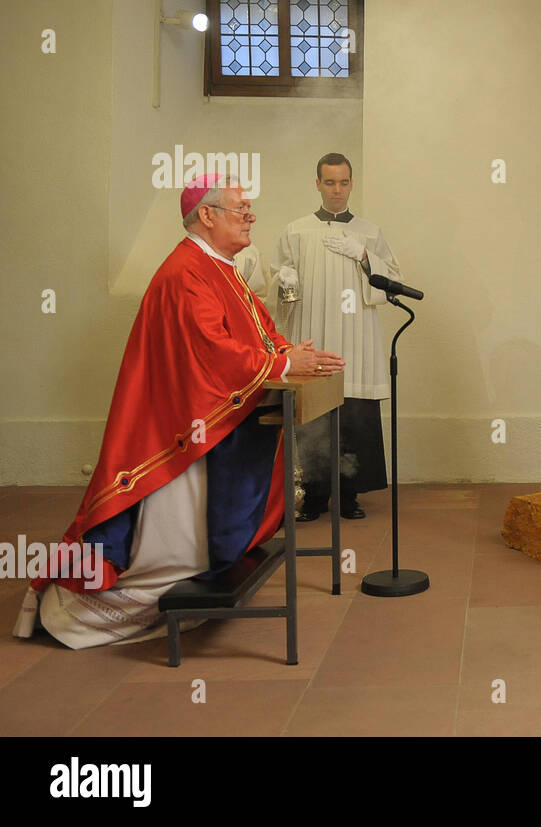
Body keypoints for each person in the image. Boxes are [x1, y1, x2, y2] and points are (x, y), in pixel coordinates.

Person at [13, 174, 344, 649]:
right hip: (181, 436)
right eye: (240, 209)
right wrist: (286, 362)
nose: (250, 217)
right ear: (206, 216)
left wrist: (288, 350)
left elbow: (252, 334)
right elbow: (209, 351)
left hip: (204, 429)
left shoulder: (219, 266)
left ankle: (202, 573)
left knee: (191, 545)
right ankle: (94, 609)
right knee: (172, 548)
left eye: (249, 209)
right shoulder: (187, 271)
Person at [272, 153, 400, 521]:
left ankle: (349, 495)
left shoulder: (369, 232)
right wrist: (285, 282)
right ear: (317, 184)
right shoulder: (296, 230)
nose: (337, 190)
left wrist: (364, 256)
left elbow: (391, 279)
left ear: (352, 184)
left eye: (344, 182)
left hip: (356, 336)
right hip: (313, 333)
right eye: (330, 182)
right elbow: (281, 282)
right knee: (312, 413)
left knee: (354, 412)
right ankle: (312, 495)